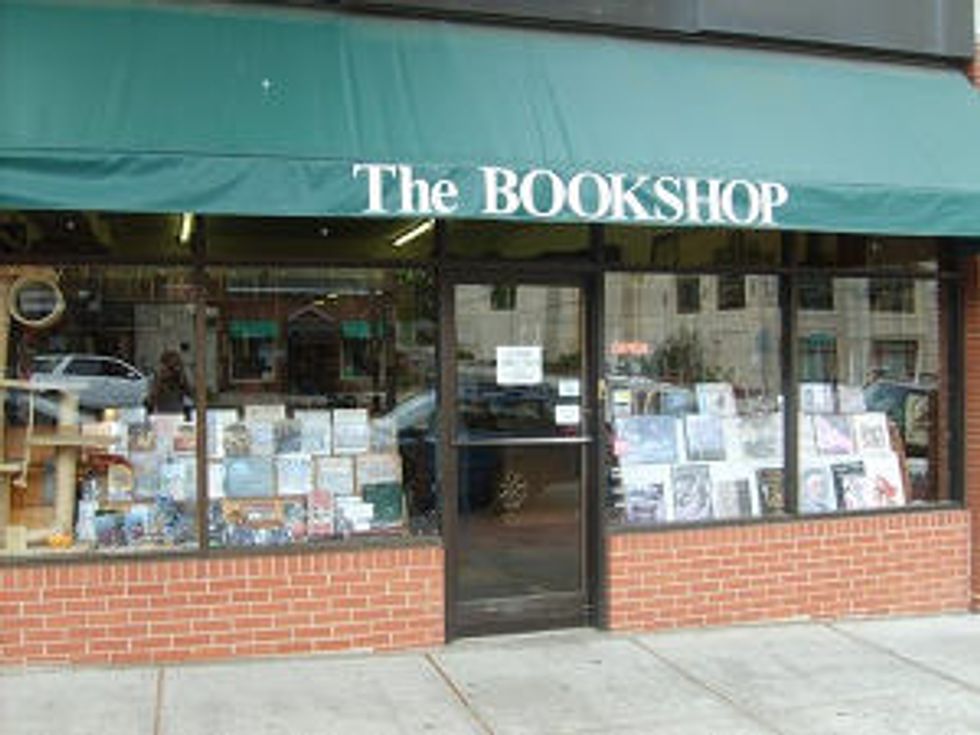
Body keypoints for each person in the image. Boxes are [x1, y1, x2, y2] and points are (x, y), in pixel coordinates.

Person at [150, 349, 192, 417]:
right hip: (170, 411)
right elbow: (188, 392)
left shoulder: (178, 376)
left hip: (169, 411)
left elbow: (153, 396)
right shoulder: (161, 376)